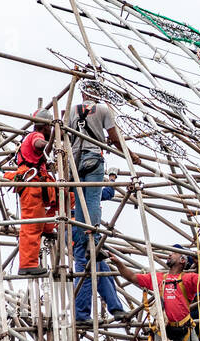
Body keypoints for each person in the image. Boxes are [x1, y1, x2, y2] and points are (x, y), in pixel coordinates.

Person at [69, 90, 124, 321]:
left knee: (98, 265)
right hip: (76, 223)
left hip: (75, 162)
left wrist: (109, 181)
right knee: (86, 258)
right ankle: (82, 315)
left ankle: (116, 308)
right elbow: (115, 139)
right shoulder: (102, 109)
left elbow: (102, 193)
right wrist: (129, 156)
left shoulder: (71, 111)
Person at [9, 108, 58, 276]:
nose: (51, 129)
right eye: (50, 127)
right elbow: (40, 145)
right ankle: (27, 265)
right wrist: (52, 141)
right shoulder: (36, 136)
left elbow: (43, 155)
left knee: (65, 195)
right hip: (31, 184)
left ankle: (47, 227)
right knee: (31, 224)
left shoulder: (36, 136)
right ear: (44, 126)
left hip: (38, 182)